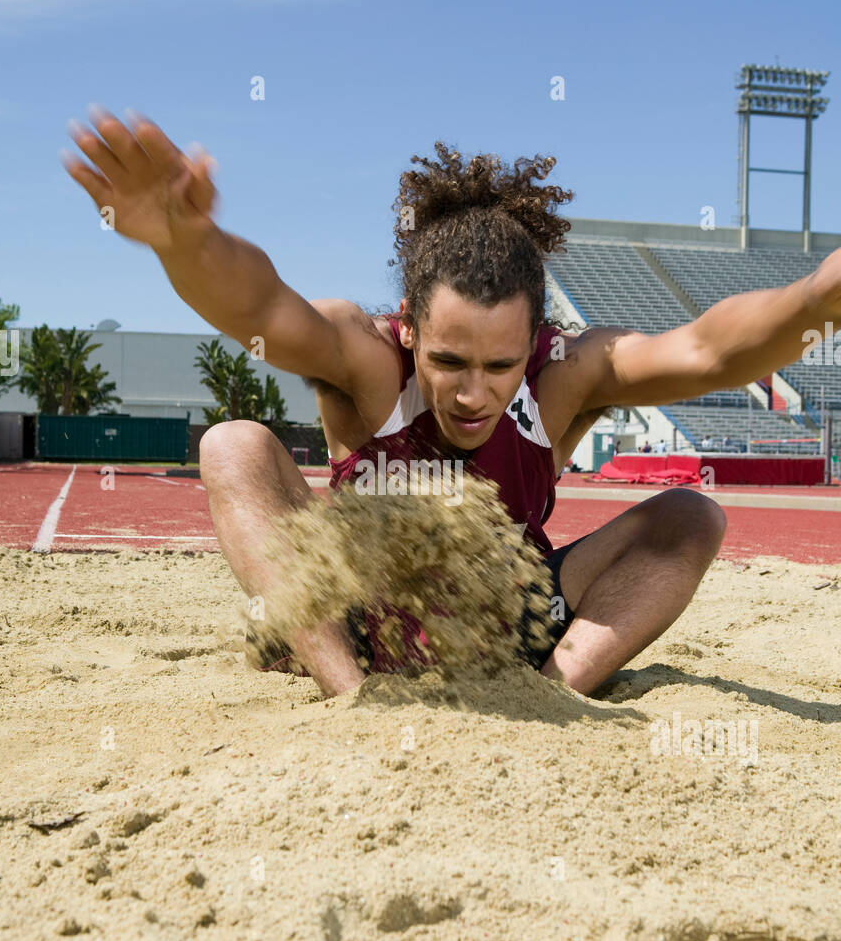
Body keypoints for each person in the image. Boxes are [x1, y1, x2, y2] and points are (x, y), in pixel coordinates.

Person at [62, 113, 841, 697]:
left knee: (690, 518)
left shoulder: (567, 376)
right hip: (359, 622)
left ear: (535, 338)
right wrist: (184, 243)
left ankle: (553, 696)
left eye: (501, 365)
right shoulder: (366, 359)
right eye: (447, 362)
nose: (474, 394)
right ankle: (349, 698)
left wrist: (819, 295)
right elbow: (261, 308)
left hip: (512, 626)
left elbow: (708, 350)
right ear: (408, 325)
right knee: (232, 443)